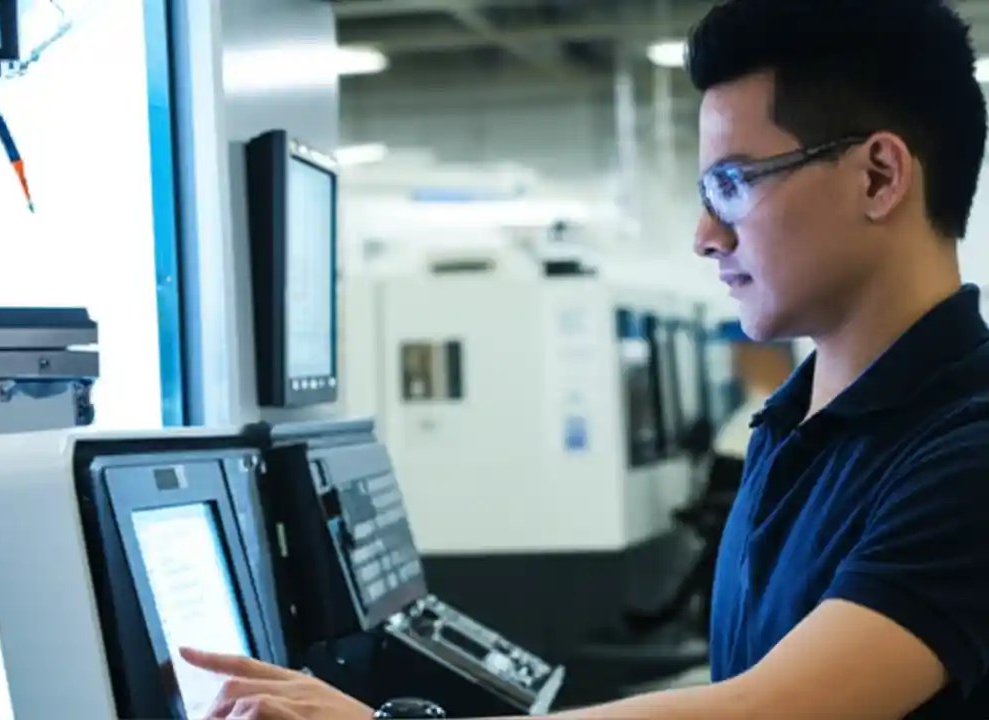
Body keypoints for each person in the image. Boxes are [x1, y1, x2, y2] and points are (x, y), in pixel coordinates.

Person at [183, 0, 989, 717]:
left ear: (879, 176)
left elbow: (773, 707)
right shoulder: (792, 425)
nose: (706, 237)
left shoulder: (969, 452)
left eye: (734, 185)